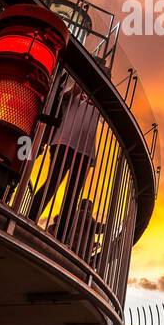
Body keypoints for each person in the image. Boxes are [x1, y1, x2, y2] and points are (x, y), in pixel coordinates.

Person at [28, 82, 98, 234]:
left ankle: (61, 235)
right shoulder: (73, 84)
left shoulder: (100, 99)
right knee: (52, 183)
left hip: (86, 150)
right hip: (64, 142)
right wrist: (81, 85)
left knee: (73, 195)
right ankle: (29, 219)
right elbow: (65, 96)